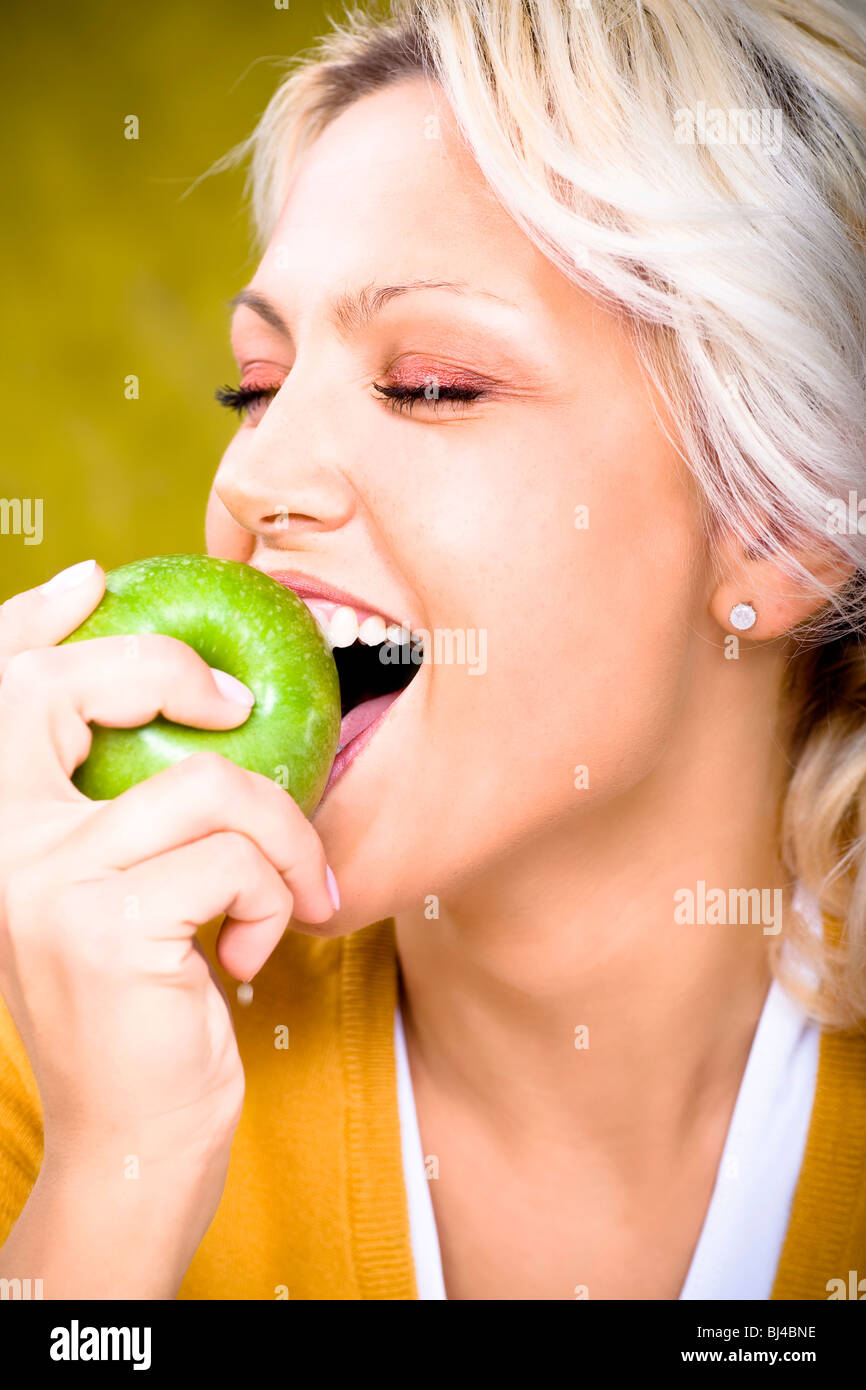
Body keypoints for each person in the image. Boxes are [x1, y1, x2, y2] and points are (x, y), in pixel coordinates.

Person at [1, 0, 865, 1300]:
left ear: (780, 521)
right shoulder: (60, 1036)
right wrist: (116, 1176)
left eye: (430, 386)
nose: (256, 471)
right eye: (256, 384)